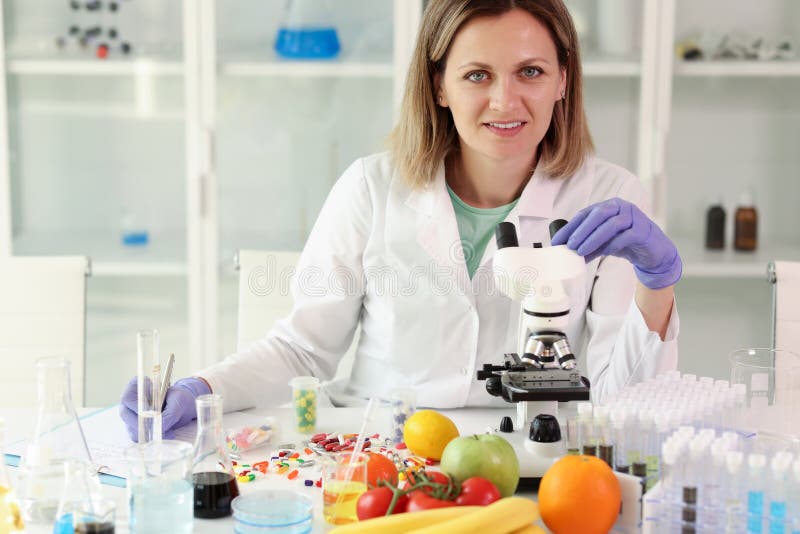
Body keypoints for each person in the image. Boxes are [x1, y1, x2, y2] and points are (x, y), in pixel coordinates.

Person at [120, 0, 681, 440]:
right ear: (439, 85)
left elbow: (620, 401)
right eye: (478, 75)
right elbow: (302, 350)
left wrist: (657, 288)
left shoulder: (608, 197)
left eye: (530, 71)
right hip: (379, 450)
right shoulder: (371, 187)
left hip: (529, 454)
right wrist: (203, 385)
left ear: (563, 79)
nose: (505, 101)